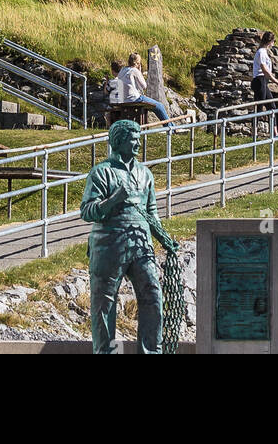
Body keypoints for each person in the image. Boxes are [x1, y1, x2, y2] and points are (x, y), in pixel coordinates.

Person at [81, 119, 178, 353]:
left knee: (153, 295)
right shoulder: (101, 172)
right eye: (133, 139)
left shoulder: (145, 174)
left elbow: (152, 212)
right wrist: (114, 199)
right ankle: (104, 351)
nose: (138, 143)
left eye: (138, 139)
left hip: (141, 242)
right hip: (108, 244)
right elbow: (87, 211)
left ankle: (150, 350)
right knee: (104, 302)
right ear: (119, 141)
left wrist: (163, 237)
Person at [109, 53, 169, 122]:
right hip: (134, 98)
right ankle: (170, 126)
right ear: (137, 63)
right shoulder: (134, 70)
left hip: (124, 99)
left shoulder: (123, 70)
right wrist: (139, 72)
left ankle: (171, 126)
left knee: (156, 106)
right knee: (160, 106)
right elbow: (144, 86)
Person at [251, 30, 278, 133]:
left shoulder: (263, 52)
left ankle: (275, 133)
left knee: (271, 106)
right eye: (274, 41)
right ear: (270, 41)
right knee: (259, 107)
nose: (273, 43)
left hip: (263, 81)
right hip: (259, 80)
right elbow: (265, 70)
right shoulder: (261, 52)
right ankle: (254, 133)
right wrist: (277, 83)